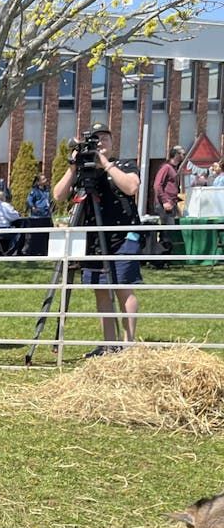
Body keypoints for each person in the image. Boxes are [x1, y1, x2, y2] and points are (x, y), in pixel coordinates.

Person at [52, 122, 142, 357]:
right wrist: (73, 167)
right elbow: (58, 195)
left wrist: (105, 164)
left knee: (123, 289)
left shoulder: (123, 165)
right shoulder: (83, 171)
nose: (100, 143)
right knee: (101, 291)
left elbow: (132, 187)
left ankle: (129, 345)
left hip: (123, 237)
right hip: (93, 239)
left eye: (104, 139)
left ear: (113, 143)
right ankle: (109, 345)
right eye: (95, 139)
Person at [153, 145, 185, 254]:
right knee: (166, 231)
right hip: (165, 205)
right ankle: (162, 257)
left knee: (169, 230)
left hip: (172, 203)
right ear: (176, 154)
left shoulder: (174, 168)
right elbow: (157, 185)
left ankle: (166, 256)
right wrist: (165, 201)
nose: (183, 156)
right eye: (182, 154)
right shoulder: (166, 168)